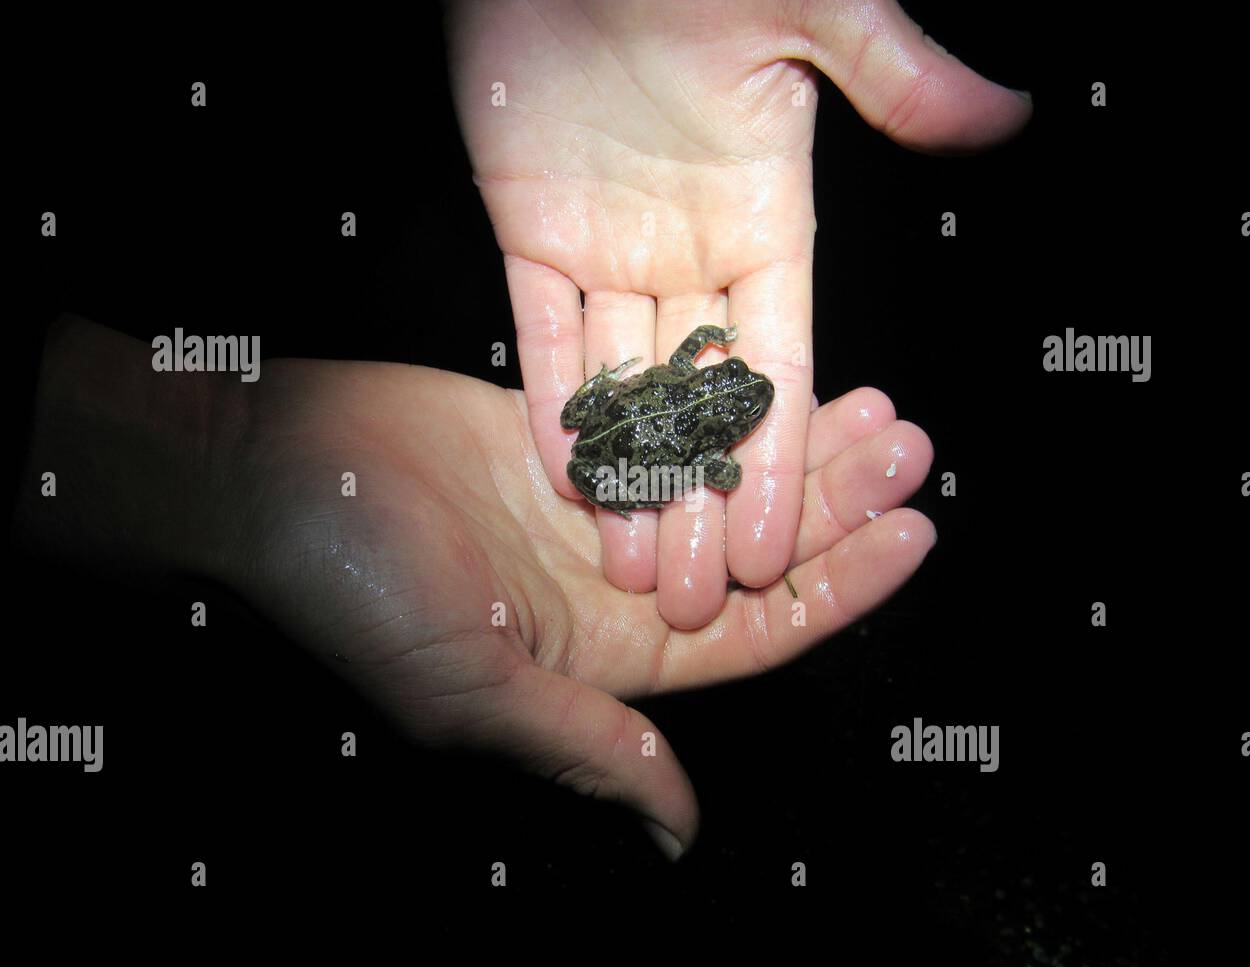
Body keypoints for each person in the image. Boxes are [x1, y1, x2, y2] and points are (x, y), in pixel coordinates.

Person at [16, 1, 1028, 859]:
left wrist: (211, 447)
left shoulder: (709, 412)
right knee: (629, 452)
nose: (748, 401)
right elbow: (681, 407)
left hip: (638, 430)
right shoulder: (702, 424)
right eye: (743, 402)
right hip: (628, 435)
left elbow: (689, 401)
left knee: (642, 449)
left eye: (744, 400)